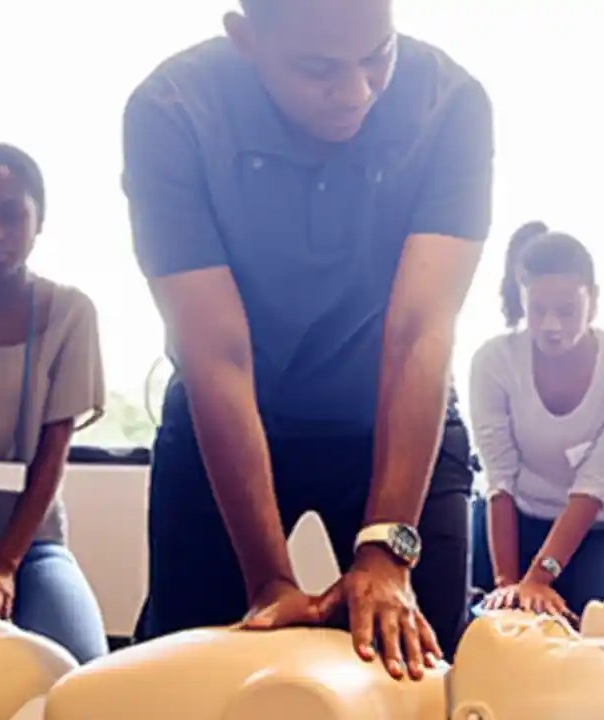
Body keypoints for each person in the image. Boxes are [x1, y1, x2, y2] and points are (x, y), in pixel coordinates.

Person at [121, 0, 493, 679]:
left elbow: (418, 333)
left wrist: (385, 550)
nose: (355, 93)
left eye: (376, 57)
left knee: (423, 668)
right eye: (318, 69)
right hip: (234, 413)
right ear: (245, 40)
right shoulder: (170, 112)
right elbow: (216, 355)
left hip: (390, 417)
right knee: (190, 674)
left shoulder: (451, 105)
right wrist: (268, 582)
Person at [468, 223, 604, 621]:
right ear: (522, 301)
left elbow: (594, 482)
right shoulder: (493, 361)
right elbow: (499, 477)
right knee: (487, 620)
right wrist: (508, 585)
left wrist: (539, 577)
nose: (551, 326)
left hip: (603, 531)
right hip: (516, 519)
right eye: (538, 310)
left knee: (595, 625)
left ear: (594, 302)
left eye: (566, 311)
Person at [0, 143, 109, 663]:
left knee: (84, 670)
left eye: (11, 215)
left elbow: (54, 451)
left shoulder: (70, 313)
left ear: (40, 220)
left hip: (32, 548)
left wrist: (6, 565)